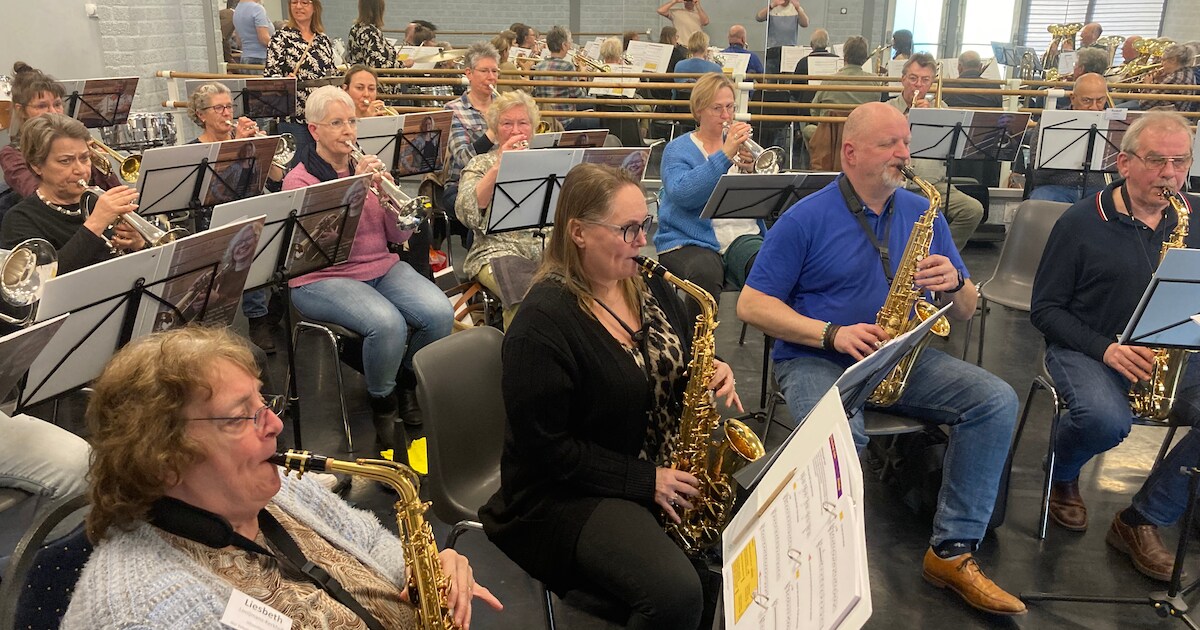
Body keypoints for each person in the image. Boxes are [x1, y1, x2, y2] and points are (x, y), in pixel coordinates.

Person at [736, 101, 1024, 616]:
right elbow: (751, 305)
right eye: (889, 143)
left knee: (996, 399)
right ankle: (826, 567)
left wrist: (955, 283)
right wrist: (832, 334)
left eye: (906, 142)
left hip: (897, 357)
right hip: (816, 358)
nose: (903, 154)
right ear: (850, 153)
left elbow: (965, 309)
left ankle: (952, 550)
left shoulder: (922, 210)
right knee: (842, 440)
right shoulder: (805, 218)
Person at [61, 326, 501, 629]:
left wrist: (429, 571)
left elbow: (369, 542)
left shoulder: (278, 488)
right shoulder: (141, 614)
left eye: (263, 401)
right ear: (163, 458)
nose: (274, 424)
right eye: (241, 416)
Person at [481, 163, 741, 630]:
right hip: (562, 494)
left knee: (743, 536)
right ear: (578, 232)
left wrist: (711, 368)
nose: (642, 241)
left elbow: (676, 358)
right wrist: (647, 481)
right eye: (628, 229)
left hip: (651, 463)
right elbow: (547, 451)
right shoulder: (541, 326)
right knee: (677, 594)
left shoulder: (650, 283)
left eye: (645, 224)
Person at [1030, 112, 1200, 582]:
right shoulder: (1080, 221)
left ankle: (1142, 519)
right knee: (1105, 421)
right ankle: (1063, 471)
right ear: (1124, 163)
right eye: (1157, 161)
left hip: (1171, 351)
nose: (1170, 174)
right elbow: (1045, 310)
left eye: (1180, 162)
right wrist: (1107, 349)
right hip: (1087, 348)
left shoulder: (1194, 216)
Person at [285, 86, 453, 453]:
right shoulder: (300, 180)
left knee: (440, 313)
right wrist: (357, 188)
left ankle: (405, 384)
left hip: (379, 265)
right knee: (387, 324)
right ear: (314, 130)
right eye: (336, 123)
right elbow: (321, 245)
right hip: (323, 276)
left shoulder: (366, 167)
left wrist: (391, 197)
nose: (348, 130)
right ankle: (383, 404)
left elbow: (396, 235)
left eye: (351, 121)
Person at [655, 73, 762, 322]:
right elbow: (683, 194)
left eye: (730, 107)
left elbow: (763, 199)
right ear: (699, 110)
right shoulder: (677, 150)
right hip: (689, 238)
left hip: (741, 235)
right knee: (705, 274)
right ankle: (695, 342)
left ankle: (780, 338)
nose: (726, 116)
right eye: (717, 108)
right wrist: (724, 156)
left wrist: (753, 171)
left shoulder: (742, 148)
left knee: (771, 265)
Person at [1, 114, 143, 274]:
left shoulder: (98, 203)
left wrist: (138, 245)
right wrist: (96, 224)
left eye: (84, 158)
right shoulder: (20, 219)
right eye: (65, 161)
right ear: (37, 166)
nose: (81, 170)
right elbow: (42, 279)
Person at [455, 91, 545, 328]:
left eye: (523, 123)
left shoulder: (546, 162)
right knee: (525, 296)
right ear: (495, 129)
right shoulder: (480, 163)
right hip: (496, 251)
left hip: (546, 249)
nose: (515, 130)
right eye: (507, 124)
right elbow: (465, 213)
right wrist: (497, 168)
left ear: (532, 128)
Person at [885, 53, 984, 249]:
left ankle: (939, 253)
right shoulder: (886, 110)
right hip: (895, 185)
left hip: (934, 186)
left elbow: (953, 149)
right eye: (913, 78)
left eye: (925, 80)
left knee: (973, 210)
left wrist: (931, 116)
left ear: (931, 83)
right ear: (903, 79)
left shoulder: (941, 108)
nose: (918, 85)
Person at [1, 62, 118, 199]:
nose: (53, 112)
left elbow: (115, 190)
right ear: (21, 110)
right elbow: (38, 196)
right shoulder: (12, 154)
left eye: (57, 104)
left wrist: (97, 165)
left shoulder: (75, 142)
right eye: (42, 106)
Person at [264, 0, 337, 160]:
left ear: (315, 7)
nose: (298, 6)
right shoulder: (280, 38)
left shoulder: (323, 40)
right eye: (294, 2)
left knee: (323, 166)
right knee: (298, 167)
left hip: (321, 119)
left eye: (304, 2)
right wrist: (284, 81)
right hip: (293, 118)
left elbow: (331, 73)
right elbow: (270, 76)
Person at [1028, 73, 1111, 203]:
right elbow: (1035, 165)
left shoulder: (1112, 124)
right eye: (1087, 101)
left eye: (1100, 100)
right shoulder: (1051, 121)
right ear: (1073, 98)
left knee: (1116, 206)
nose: (1094, 107)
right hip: (1055, 186)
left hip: (1095, 187)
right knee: (1040, 203)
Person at [444, 42, 501, 216]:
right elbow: (463, 159)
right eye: (484, 71)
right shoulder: (453, 110)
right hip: (462, 184)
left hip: (501, 179)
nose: (491, 77)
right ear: (469, 73)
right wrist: (492, 132)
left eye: (495, 71)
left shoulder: (504, 106)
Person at [805, 36, 876, 144]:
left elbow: (814, 111)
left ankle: (822, 155)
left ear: (845, 56)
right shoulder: (875, 82)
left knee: (808, 129)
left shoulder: (828, 82)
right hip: (861, 136)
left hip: (830, 137)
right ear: (865, 58)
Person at [531, 26, 594, 131]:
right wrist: (582, 76)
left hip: (547, 119)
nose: (570, 46)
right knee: (599, 118)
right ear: (564, 45)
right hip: (566, 121)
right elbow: (580, 97)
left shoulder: (539, 66)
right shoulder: (567, 66)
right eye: (569, 42)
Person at [345, 0, 404, 88]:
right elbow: (376, 64)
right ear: (379, 9)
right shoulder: (370, 32)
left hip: (360, 81)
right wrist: (403, 64)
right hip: (377, 86)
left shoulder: (355, 28)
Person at [1138, 44, 1198, 112]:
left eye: (1163, 60)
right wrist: (1159, 81)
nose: (1161, 64)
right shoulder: (1188, 72)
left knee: (1127, 105)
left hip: (1163, 115)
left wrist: (1147, 85)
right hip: (1171, 112)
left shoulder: (1175, 78)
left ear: (1173, 60)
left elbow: (1144, 104)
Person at [790, 28, 838, 105]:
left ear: (811, 44)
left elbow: (794, 91)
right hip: (832, 103)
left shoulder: (803, 62)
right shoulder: (837, 60)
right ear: (827, 43)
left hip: (807, 105)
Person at [232, 0, 275, 72]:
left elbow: (238, 41)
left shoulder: (237, 10)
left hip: (245, 59)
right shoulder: (257, 9)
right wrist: (280, 46)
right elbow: (264, 39)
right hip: (260, 60)